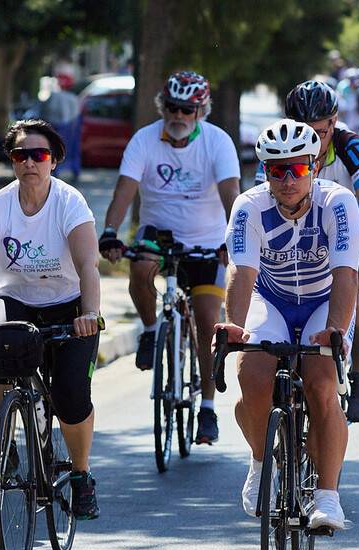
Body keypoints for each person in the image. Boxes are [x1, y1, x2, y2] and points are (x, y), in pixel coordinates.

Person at [0, 119, 103, 520]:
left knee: (69, 395)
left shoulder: (69, 202)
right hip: (17, 301)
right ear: (12, 162)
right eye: (20, 155)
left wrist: (91, 314)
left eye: (39, 155)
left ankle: (81, 476)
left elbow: (87, 263)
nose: (30, 162)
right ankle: (7, 445)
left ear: (54, 160)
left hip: (70, 306)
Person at [220, 119, 359, 529]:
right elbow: (243, 273)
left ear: (314, 166)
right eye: (276, 169)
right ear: (263, 170)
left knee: (321, 384)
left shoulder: (338, 202)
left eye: (297, 168)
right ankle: (261, 461)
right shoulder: (249, 206)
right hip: (273, 299)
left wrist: (335, 327)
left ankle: (327, 497)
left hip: (325, 300)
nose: (287, 179)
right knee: (252, 374)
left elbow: (346, 275)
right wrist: (234, 326)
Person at [98, 70, 240, 445]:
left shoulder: (217, 142)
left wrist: (232, 240)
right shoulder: (144, 140)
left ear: (201, 111)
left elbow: (232, 196)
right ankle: (149, 330)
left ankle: (207, 409)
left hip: (207, 240)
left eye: (188, 110)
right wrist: (110, 232)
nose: (179, 116)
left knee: (209, 321)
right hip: (157, 234)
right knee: (140, 267)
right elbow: (124, 192)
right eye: (173, 108)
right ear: (163, 107)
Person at [275, 80, 359, 423]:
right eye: (302, 131)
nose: (312, 141)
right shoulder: (279, 145)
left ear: (334, 124)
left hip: (344, 250)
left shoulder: (349, 145)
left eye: (320, 132)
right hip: (295, 250)